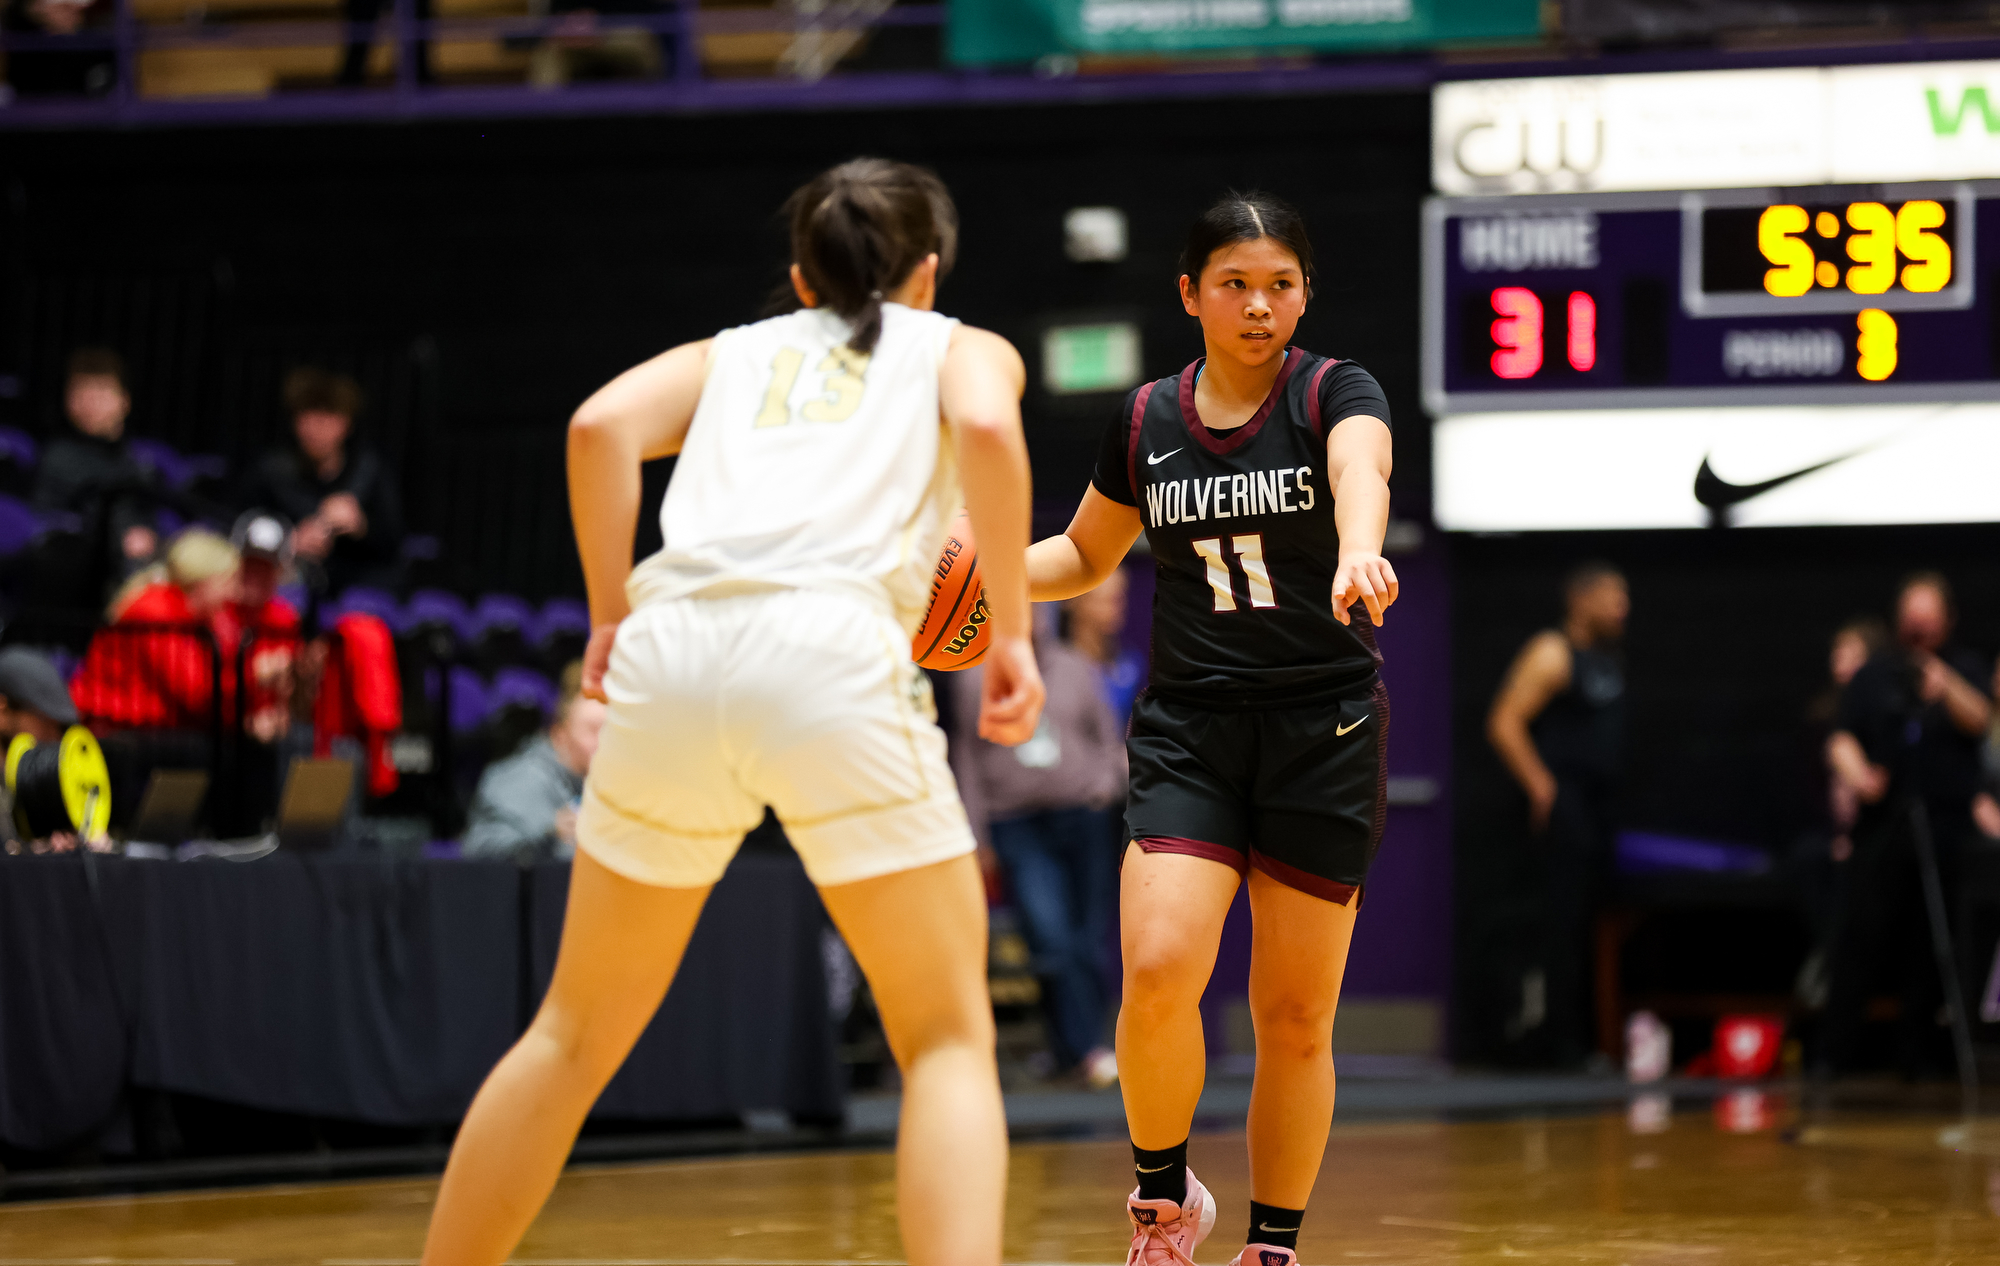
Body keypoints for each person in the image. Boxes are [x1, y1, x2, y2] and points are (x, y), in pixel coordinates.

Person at [419, 158, 1044, 1266]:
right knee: (945, 1038)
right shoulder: (956, 344)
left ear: (801, 279)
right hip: (830, 647)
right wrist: (1008, 639)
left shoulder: (734, 352)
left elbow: (597, 425)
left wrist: (609, 611)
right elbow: (990, 436)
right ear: (929, 270)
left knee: (568, 1035)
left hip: (672, 650)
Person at [1023, 192, 1397, 1266]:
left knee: (1290, 1019)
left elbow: (1357, 469)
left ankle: (1272, 1246)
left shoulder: (1335, 391)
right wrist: (981, 573)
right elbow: (1084, 557)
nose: (1258, 305)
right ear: (1188, 293)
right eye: (1234, 283)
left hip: (1319, 730)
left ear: (1303, 295)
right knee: (1155, 966)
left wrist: (1356, 546)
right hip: (1191, 730)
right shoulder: (1145, 420)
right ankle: (1160, 1204)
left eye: (1280, 283)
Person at [1821, 572, 1994, 1078]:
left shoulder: (1965, 667)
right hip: (1883, 826)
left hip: (1945, 829)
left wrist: (1945, 687)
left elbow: (1980, 719)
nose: (1919, 625)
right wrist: (1859, 775)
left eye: (1929, 614)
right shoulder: (1874, 674)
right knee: (1861, 938)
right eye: (1911, 614)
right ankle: (1835, 1054)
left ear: (1947, 619)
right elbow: (1842, 736)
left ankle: (1916, 1056)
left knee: (1931, 947)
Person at [950, 606, 1125, 1087]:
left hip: (1081, 816)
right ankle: (1082, 1047)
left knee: (1087, 937)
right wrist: (976, 833)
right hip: (1015, 823)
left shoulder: (1075, 667)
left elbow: (1109, 738)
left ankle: (1077, 1049)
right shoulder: (972, 677)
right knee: (1049, 937)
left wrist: (1105, 786)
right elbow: (965, 757)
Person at [1485, 561, 1628, 1068]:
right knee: (1558, 928)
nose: (1622, 608)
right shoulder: (1552, 653)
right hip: (1562, 811)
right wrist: (1542, 786)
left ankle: (1587, 1042)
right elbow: (1504, 721)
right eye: (1612, 597)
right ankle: (1555, 1045)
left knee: (1591, 926)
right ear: (1580, 600)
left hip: (1598, 810)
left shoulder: (1605, 660)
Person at [237, 367, 405, 598]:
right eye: (308, 415)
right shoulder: (270, 471)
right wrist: (289, 541)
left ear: (347, 423)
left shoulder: (370, 469)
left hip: (354, 587)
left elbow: (394, 543)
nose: (317, 427)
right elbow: (235, 527)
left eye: (329, 416)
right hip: (286, 587)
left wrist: (361, 526)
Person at [32, 348, 162, 587]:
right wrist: (119, 541)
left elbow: (153, 518)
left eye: (100, 393)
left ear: (124, 401)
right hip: (84, 580)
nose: (89, 403)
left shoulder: (140, 462)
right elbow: (50, 528)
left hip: (142, 570)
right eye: (80, 392)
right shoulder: (58, 458)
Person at [463, 662, 608, 865]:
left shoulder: (608, 783)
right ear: (560, 734)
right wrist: (549, 834)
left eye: (610, 731)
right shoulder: (518, 781)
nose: (603, 742)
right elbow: (479, 852)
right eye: (593, 731)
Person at [0, 647, 84, 855]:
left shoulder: (44, 784)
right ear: (2, 710)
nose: (55, 738)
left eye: (61, 728)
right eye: (45, 721)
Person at [1066, 563, 1146, 729]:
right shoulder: (1054, 666)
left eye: (1121, 598)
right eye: (1108, 600)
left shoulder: (1131, 664)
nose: (1118, 608)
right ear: (1075, 601)